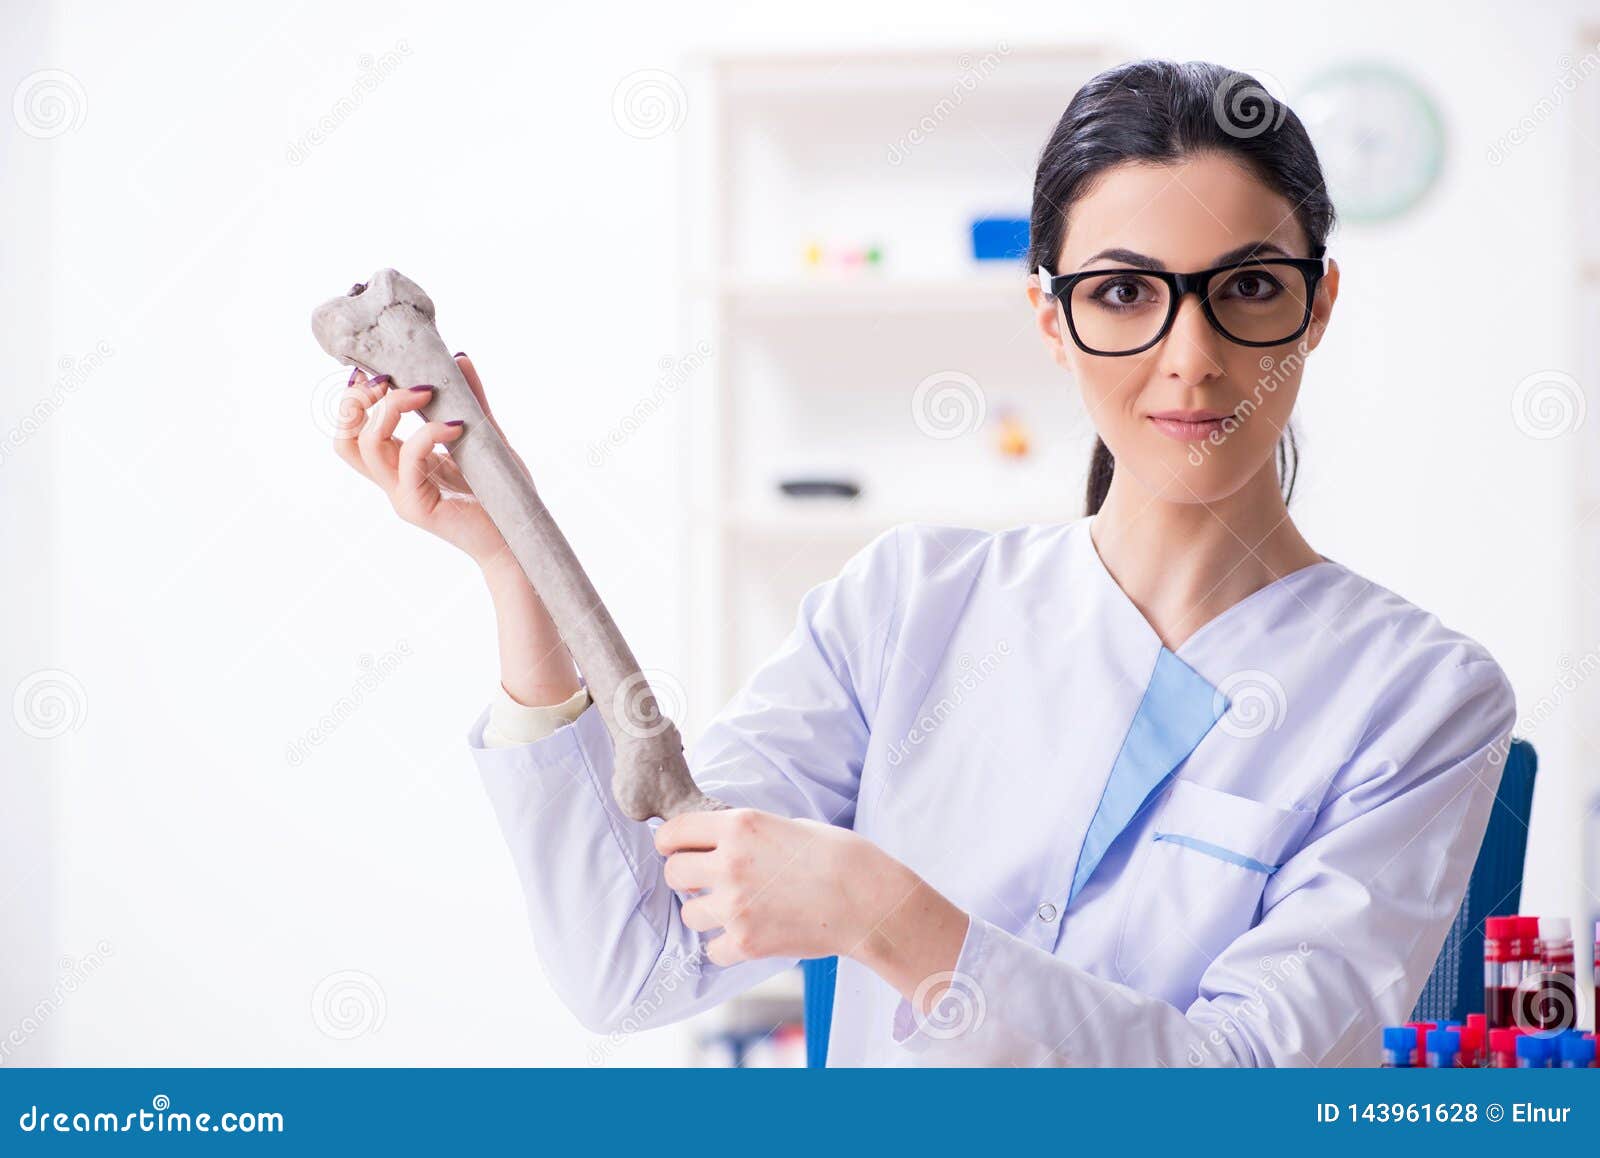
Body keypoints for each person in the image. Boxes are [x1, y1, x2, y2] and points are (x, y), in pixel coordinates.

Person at [332, 59, 1516, 1066]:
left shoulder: (1420, 697)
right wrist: (510, 569)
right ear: (1052, 319)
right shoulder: (905, 609)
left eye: (1249, 287)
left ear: (1317, 307)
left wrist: (886, 914)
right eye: (1121, 293)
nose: (1190, 357)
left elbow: (1248, 1089)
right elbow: (632, 963)